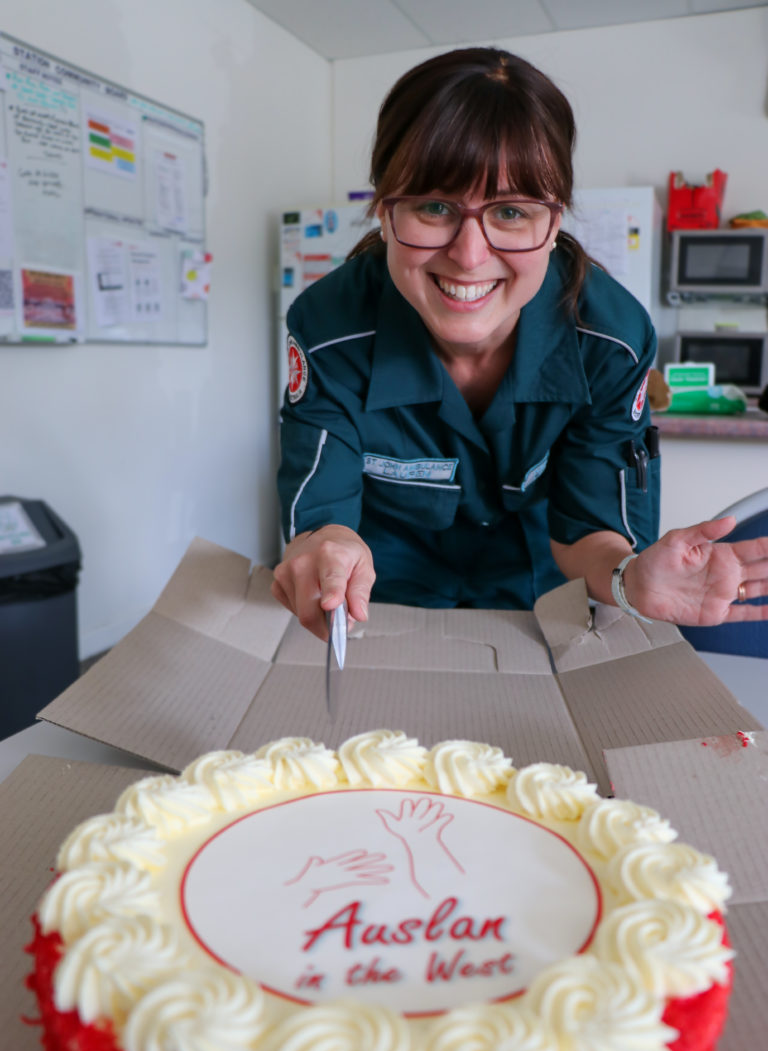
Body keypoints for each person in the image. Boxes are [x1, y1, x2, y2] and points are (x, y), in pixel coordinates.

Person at [272, 46, 768, 640]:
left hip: (540, 607)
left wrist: (628, 579)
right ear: (383, 211)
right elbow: (321, 514)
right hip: (382, 606)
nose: (469, 255)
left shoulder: (608, 340)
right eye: (434, 207)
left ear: (554, 223)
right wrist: (325, 554)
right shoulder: (329, 331)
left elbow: (592, 530)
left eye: (510, 212)